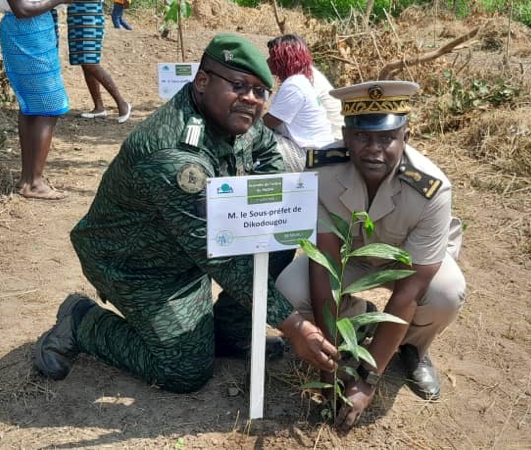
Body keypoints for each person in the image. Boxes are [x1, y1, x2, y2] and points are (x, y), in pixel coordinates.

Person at [32, 34, 339, 394]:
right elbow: (219, 256)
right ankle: (81, 321)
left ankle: (230, 334)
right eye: (239, 85)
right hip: (137, 266)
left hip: (186, 252)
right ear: (203, 81)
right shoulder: (175, 157)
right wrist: (295, 326)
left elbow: (267, 149)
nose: (251, 99)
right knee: (185, 370)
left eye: (260, 91)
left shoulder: (236, 116)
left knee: (274, 235)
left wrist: (257, 205)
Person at [275, 80, 467, 428]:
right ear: (346, 136)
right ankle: (359, 321)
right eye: (362, 136)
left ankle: (411, 348)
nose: (374, 149)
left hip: (405, 262)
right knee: (290, 287)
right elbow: (325, 266)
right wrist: (334, 364)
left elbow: (410, 290)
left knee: (446, 293)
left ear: (406, 136)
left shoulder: (431, 189)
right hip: (349, 257)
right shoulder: (321, 171)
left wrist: (368, 380)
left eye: (387, 138)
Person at [0, 0, 71, 200]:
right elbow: (23, 9)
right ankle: (34, 183)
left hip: (31, 30)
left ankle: (27, 180)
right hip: (29, 32)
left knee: (31, 107)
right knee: (49, 107)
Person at [263, 34, 334, 172]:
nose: (268, 61)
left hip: (309, 155)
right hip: (318, 151)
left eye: (272, 57)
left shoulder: (294, 85)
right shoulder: (301, 81)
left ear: (282, 59)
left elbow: (268, 123)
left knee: (257, 140)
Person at [64, 0, 131, 123]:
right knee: (85, 63)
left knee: (90, 63)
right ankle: (99, 107)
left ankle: (122, 103)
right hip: (76, 15)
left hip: (90, 14)